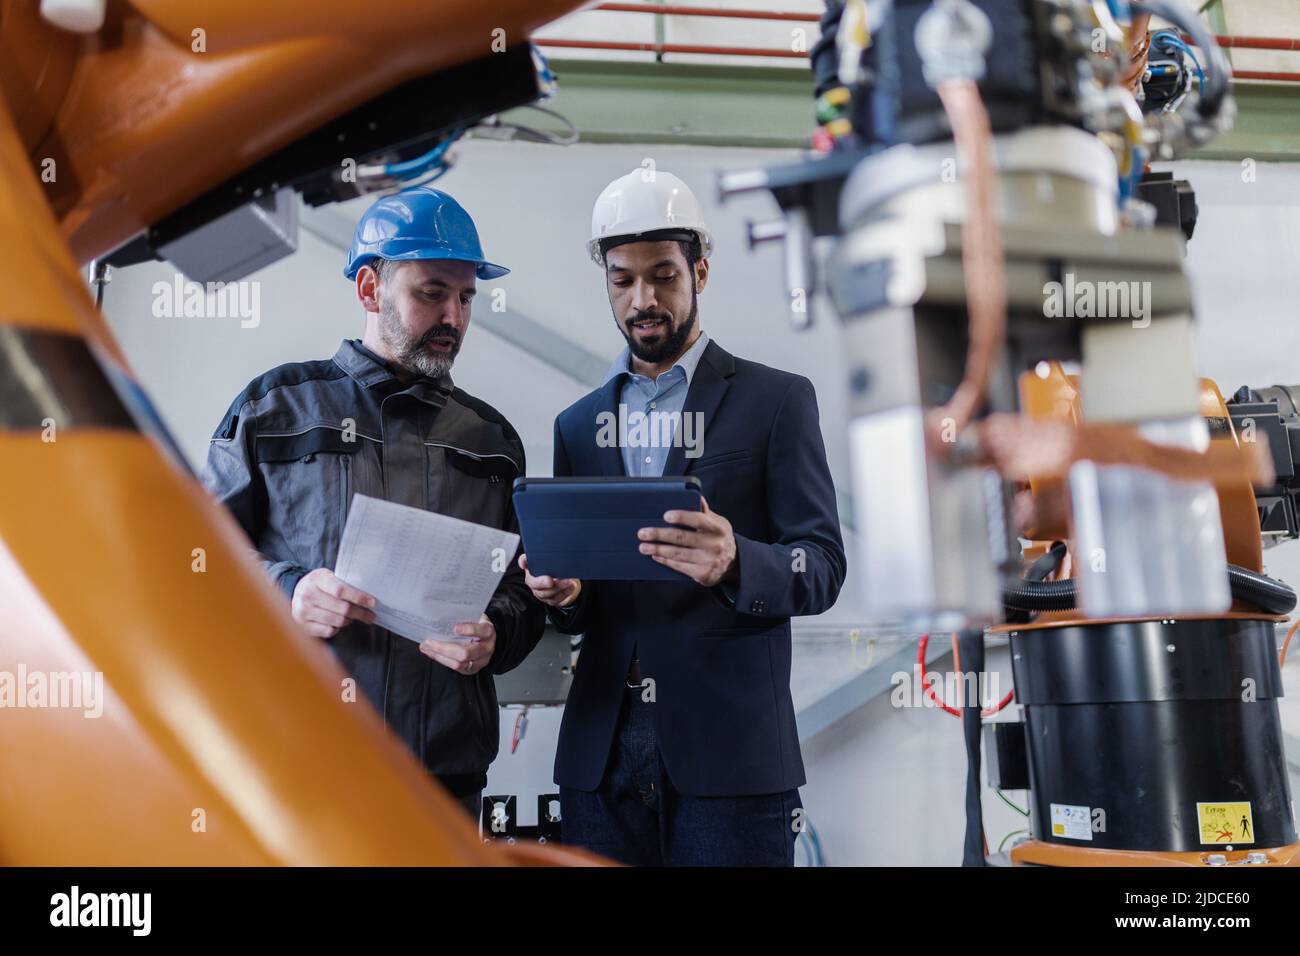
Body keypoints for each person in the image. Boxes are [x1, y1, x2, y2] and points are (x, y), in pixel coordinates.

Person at [522, 169, 847, 865]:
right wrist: (566, 597)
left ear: (700, 269)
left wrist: (738, 561)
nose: (643, 299)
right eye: (623, 280)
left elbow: (820, 566)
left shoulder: (777, 402)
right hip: (602, 758)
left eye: (664, 275)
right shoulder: (578, 426)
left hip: (731, 757)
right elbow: (583, 604)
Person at [204, 186, 543, 819]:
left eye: (466, 297)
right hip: (301, 774)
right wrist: (286, 590)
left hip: (446, 782)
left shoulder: (492, 442)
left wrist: (496, 636)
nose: (454, 317)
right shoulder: (274, 409)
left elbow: (524, 592)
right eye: (431, 293)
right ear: (369, 289)